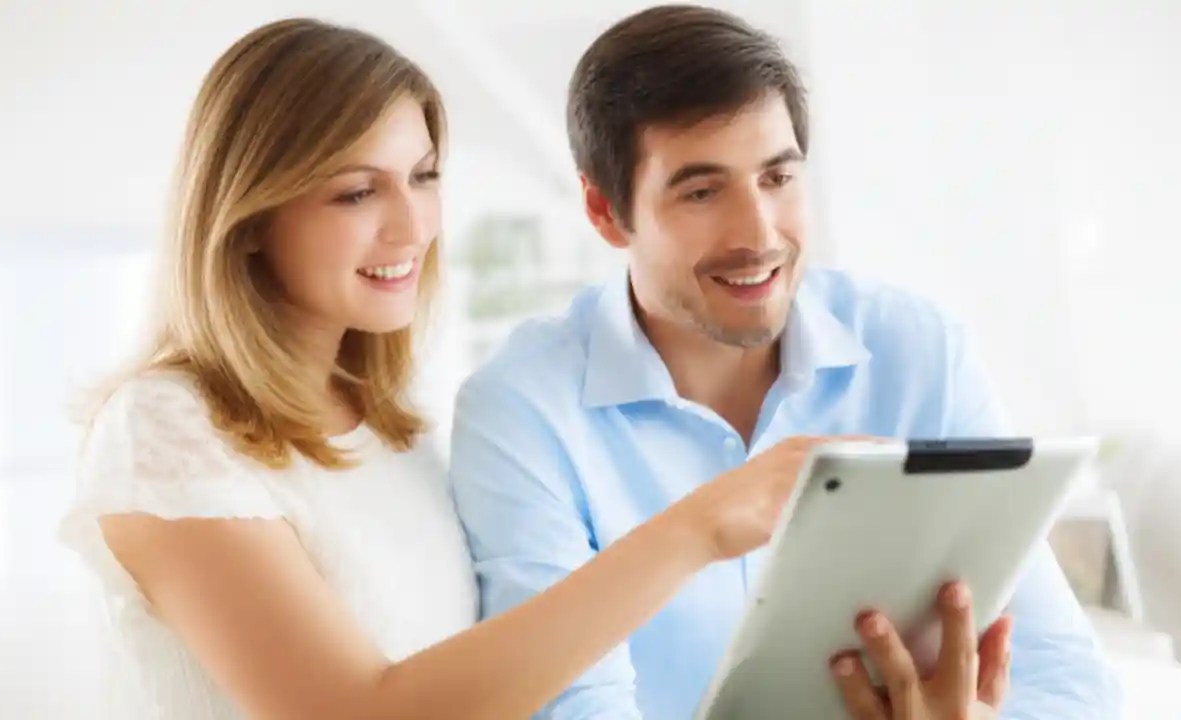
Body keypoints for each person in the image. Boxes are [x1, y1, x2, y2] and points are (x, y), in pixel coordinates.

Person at [58, 18, 847, 720]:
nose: (413, 226)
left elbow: (491, 681)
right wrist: (697, 529)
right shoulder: (167, 428)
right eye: (357, 192)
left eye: (424, 177)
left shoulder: (390, 428)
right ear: (248, 218)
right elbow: (357, 713)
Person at [449, 5, 1122, 719]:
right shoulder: (521, 410)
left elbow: (1068, 683)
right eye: (702, 192)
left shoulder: (918, 352)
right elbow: (575, 710)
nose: (759, 235)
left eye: (778, 178)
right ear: (604, 209)